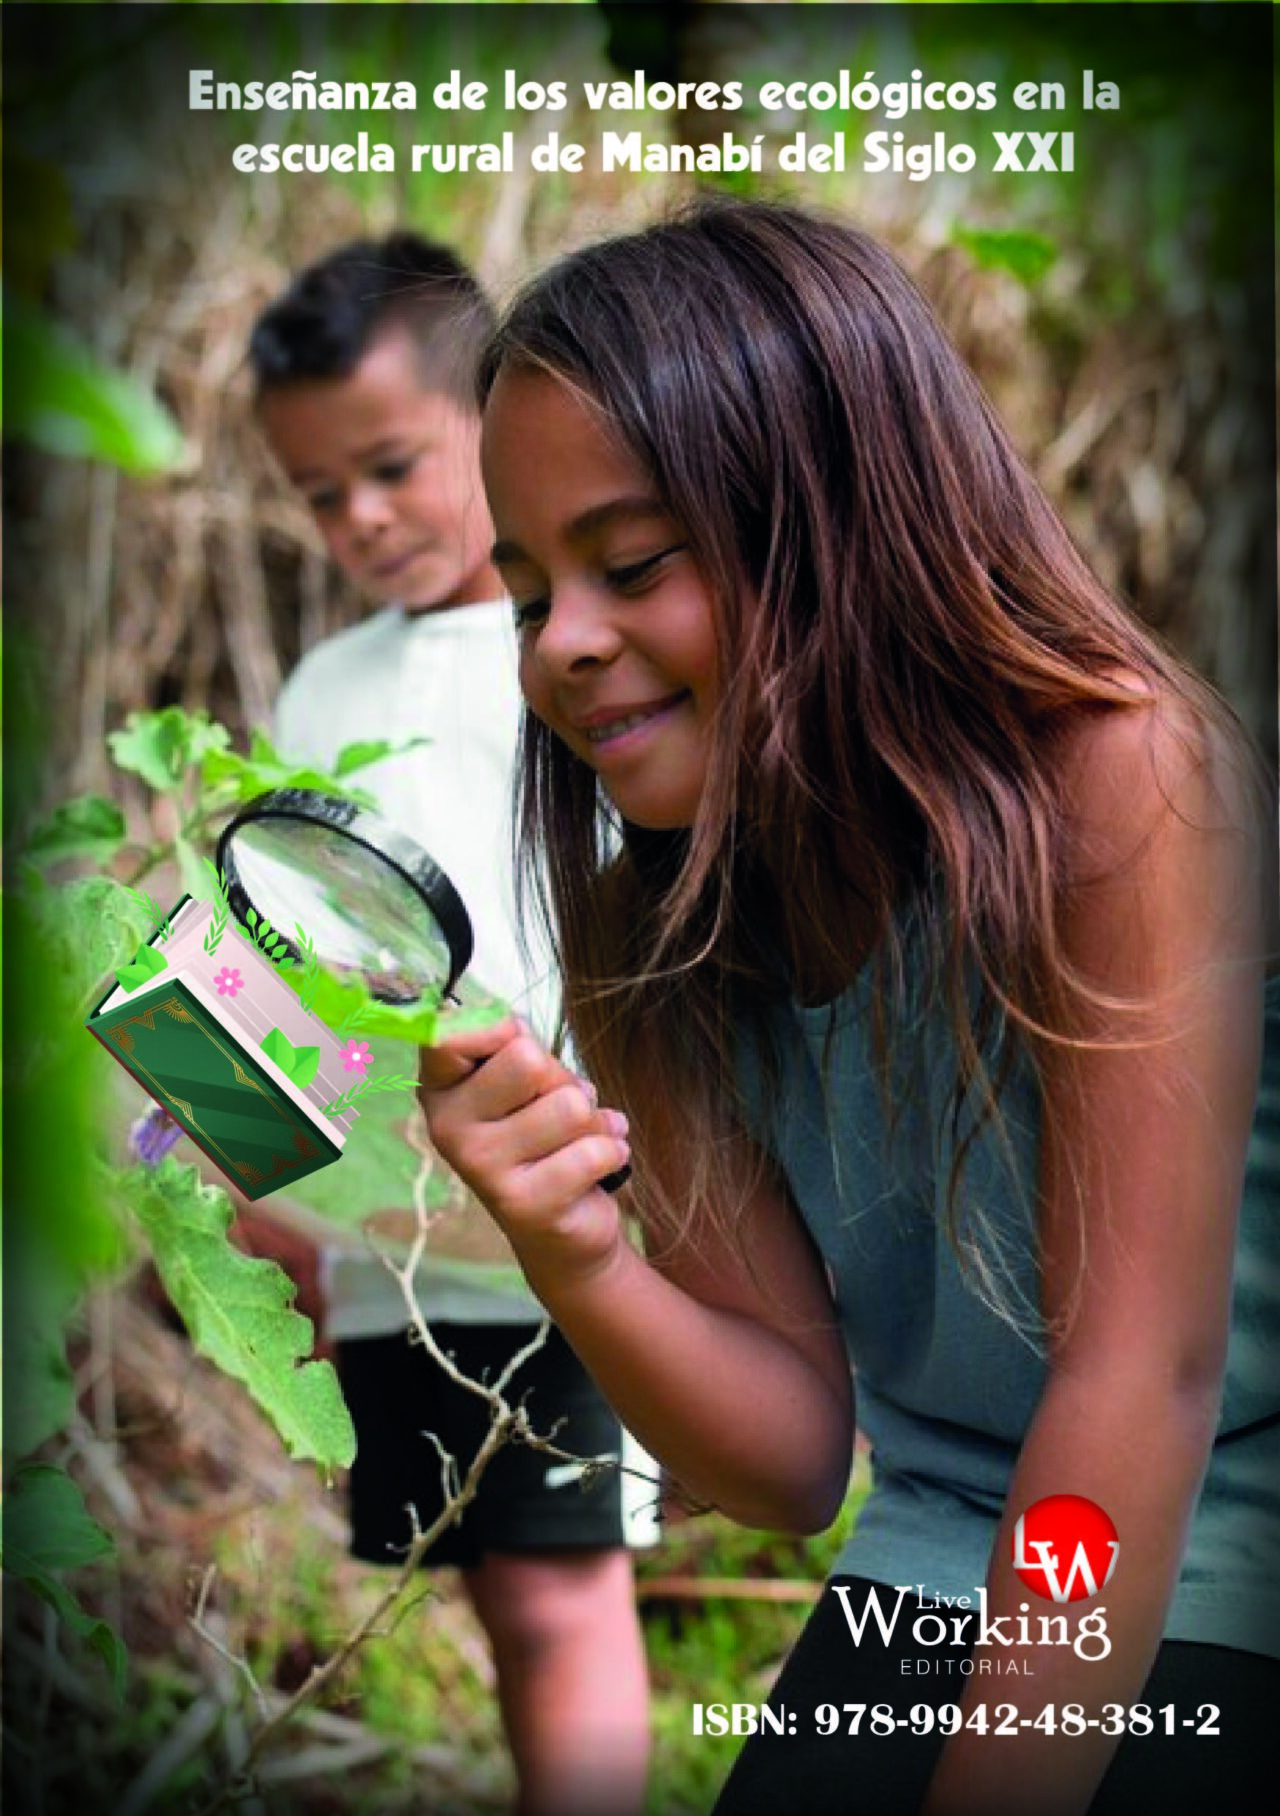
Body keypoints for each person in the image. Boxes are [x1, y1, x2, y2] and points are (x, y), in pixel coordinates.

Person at [419, 199, 1280, 1814]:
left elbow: (1139, 1385)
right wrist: (580, 1258)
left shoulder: (1126, 784)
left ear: (837, 518)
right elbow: (791, 1459)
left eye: (632, 565)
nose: (566, 646)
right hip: (941, 1540)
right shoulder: (645, 924)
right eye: (532, 594)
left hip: (1221, 1541)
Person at [247, 231, 651, 1816]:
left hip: (555, 1199)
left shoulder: (570, 648)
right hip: (381, 1238)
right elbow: (297, 951)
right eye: (315, 492)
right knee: (486, 1583)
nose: (356, 518)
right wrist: (262, 1180)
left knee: (565, 1590)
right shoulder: (319, 687)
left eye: (393, 467)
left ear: (489, 418)